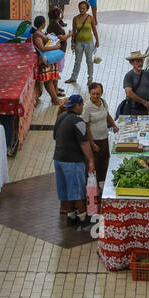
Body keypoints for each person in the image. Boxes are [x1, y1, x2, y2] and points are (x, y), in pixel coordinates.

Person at [53, 93, 95, 224]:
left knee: (66, 189)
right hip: (72, 162)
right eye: (81, 105)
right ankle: (83, 217)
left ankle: (71, 217)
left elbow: (55, 136)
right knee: (77, 190)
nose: (82, 107)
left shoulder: (61, 117)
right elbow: (84, 143)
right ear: (76, 106)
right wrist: (91, 160)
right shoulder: (78, 121)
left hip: (58, 159)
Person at [81, 81, 119, 192]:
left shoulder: (103, 102)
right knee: (95, 164)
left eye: (98, 93)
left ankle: (102, 185)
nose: (96, 96)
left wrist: (114, 125)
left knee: (104, 162)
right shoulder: (87, 107)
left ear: (101, 93)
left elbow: (107, 115)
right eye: (93, 94)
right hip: (94, 141)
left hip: (104, 138)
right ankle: (92, 188)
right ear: (89, 93)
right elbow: (86, 126)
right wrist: (92, 143)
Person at [31, 15, 66, 107]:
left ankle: (54, 98)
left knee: (50, 80)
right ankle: (55, 99)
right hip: (44, 60)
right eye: (44, 23)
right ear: (42, 24)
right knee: (48, 81)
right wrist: (55, 47)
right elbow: (41, 48)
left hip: (47, 60)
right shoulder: (37, 35)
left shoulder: (40, 33)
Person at [66, 0, 99, 86]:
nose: (81, 10)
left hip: (89, 42)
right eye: (80, 8)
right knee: (77, 61)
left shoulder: (90, 18)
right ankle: (73, 77)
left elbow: (94, 30)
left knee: (89, 61)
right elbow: (74, 31)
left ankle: (90, 78)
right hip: (78, 43)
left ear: (87, 9)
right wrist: (72, 43)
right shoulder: (75, 19)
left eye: (83, 8)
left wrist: (97, 40)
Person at [120, 51, 149, 116]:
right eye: (137, 61)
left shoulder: (148, 75)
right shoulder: (129, 76)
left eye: (141, 61)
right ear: (132, 63)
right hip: (133, 109)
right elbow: (129, 93)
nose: (140, 63)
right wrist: (144, 102)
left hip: (146, 109)